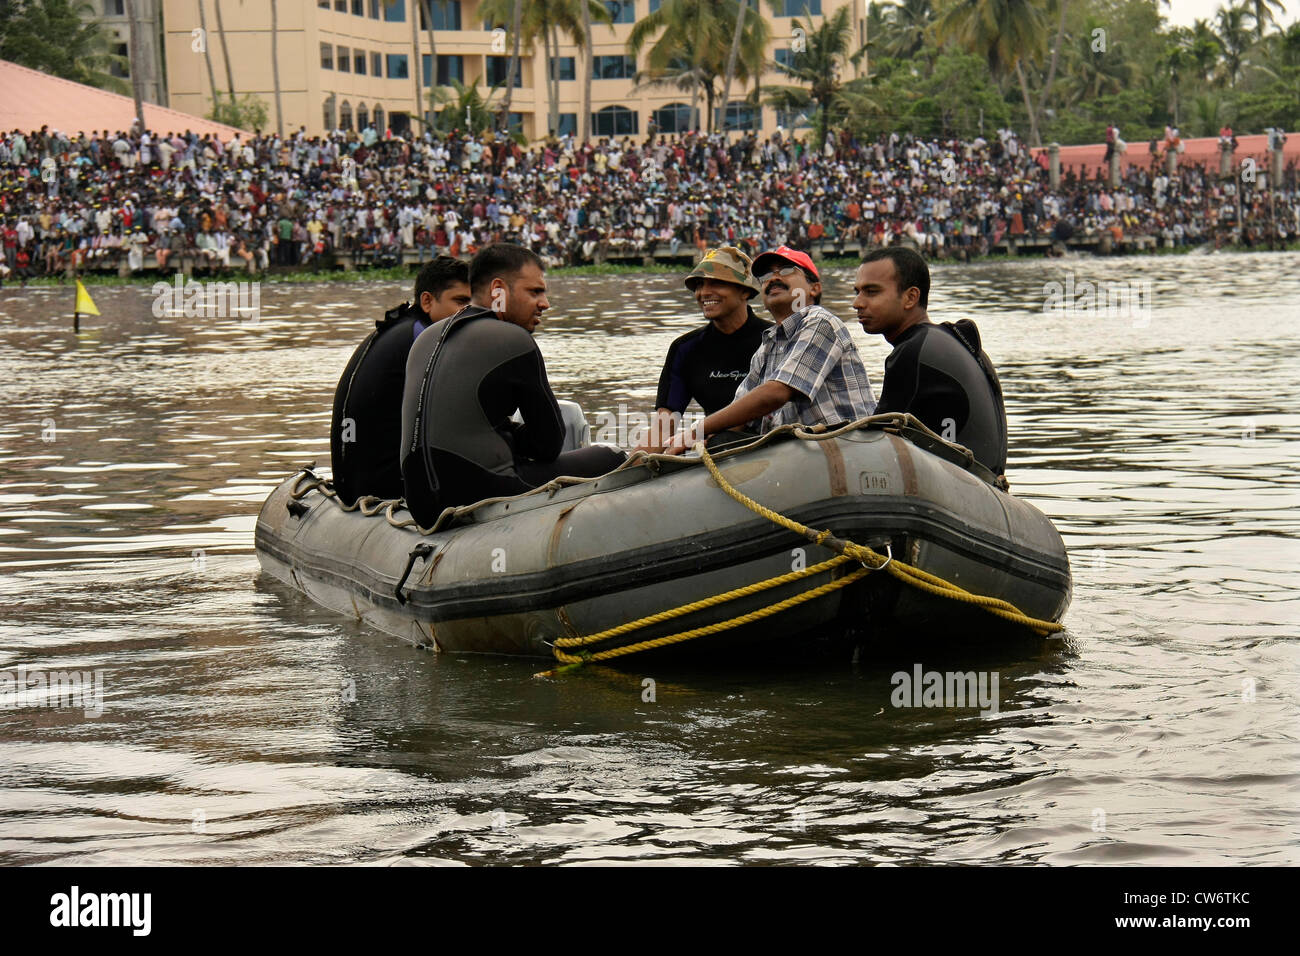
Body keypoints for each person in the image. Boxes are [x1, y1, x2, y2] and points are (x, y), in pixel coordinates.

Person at [400, 243, 626, 525]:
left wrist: (503, 435)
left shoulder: (426, 337)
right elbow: (548, 444)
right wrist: (510, 438)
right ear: (498, 291)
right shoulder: (513, 340)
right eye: (535, 292)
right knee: (611, 456)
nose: (545, 303)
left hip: (422, 503)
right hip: (482, 492)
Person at [662, 245, 876, 455]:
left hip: (845, 449)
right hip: (800, 454)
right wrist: (692, 443)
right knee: (722, 441)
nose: (773, 278)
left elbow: (775, 393)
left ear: (814, 288)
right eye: (765, 275)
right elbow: (740, 419)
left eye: (786, 270)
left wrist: (696, 430)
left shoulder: (821, 323)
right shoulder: (768, 345)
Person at [851, 247, 1007, 479]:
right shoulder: (948, 340)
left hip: (964, 490)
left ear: (910, 297)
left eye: (871, 292)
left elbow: (873, 440)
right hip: (991, 488)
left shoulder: (912, 351)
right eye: (857, 292)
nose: (857, 303)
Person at [330, 256, 471, 506]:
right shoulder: (424, 338)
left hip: (354, 482)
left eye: (472, 303)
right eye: (460, 301)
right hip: (386, 488)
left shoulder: (402, 327)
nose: (468, 311)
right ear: (427, 301)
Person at [640, 246, 770, 452]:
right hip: (712, 444)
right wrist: (630, 470)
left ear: (745, 291)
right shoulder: (685, 349)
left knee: (721, 441)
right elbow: (665, 424)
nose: (704, 293)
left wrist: (697, 435)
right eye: (700, 285)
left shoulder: (773, 340)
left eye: (716, 283)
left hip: (767, 446)